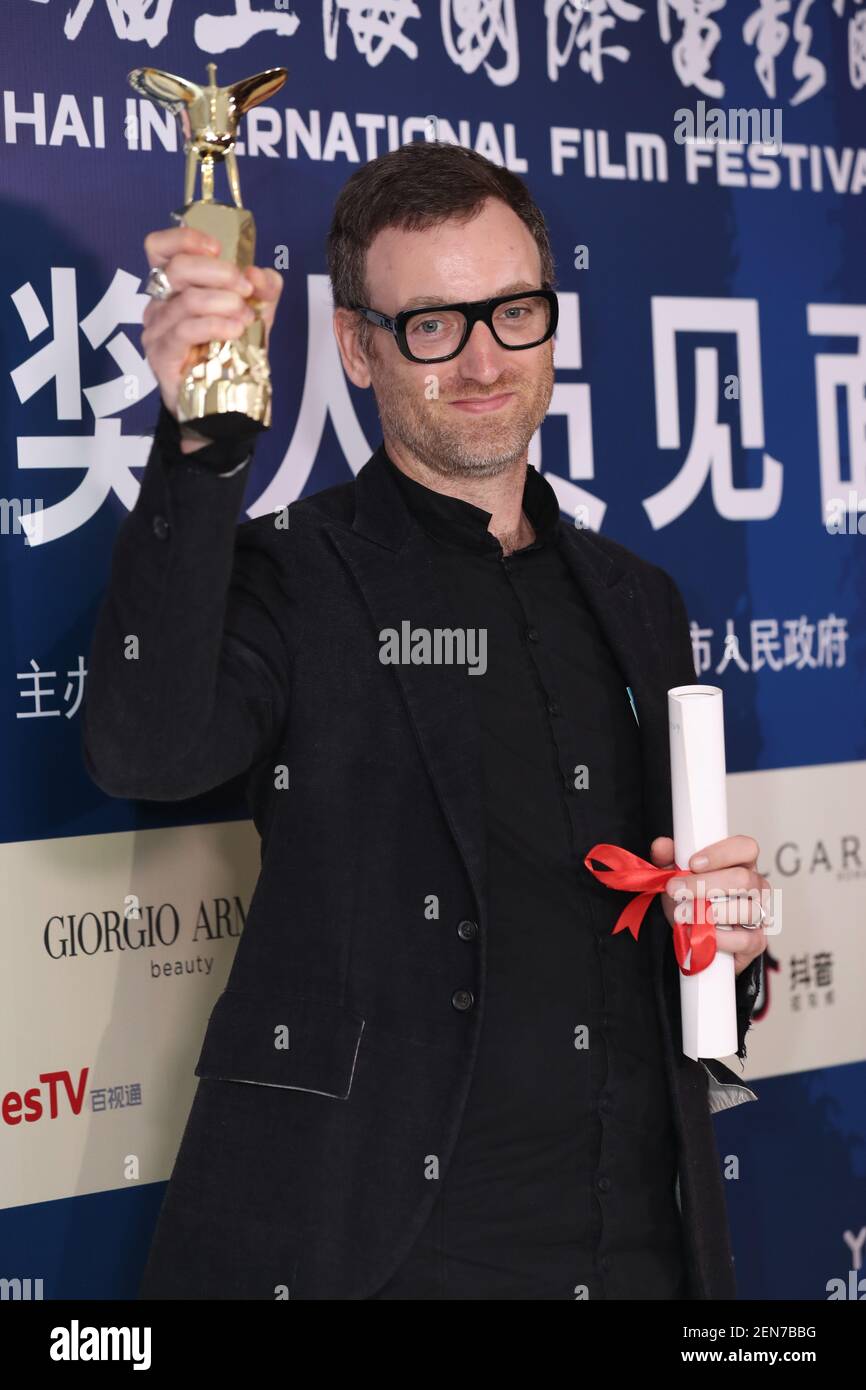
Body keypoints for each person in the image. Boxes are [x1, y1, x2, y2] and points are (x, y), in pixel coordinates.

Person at [82, 141, 768, 1301]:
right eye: (432, 325)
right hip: (384, 1258)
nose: (485, 358)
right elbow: (141, 749)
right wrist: (203, 446)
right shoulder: (294, 577)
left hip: (638, 1249)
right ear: (357, 345)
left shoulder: (638, 600)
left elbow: (664, 914)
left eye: (512, 311)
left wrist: (727, 953)